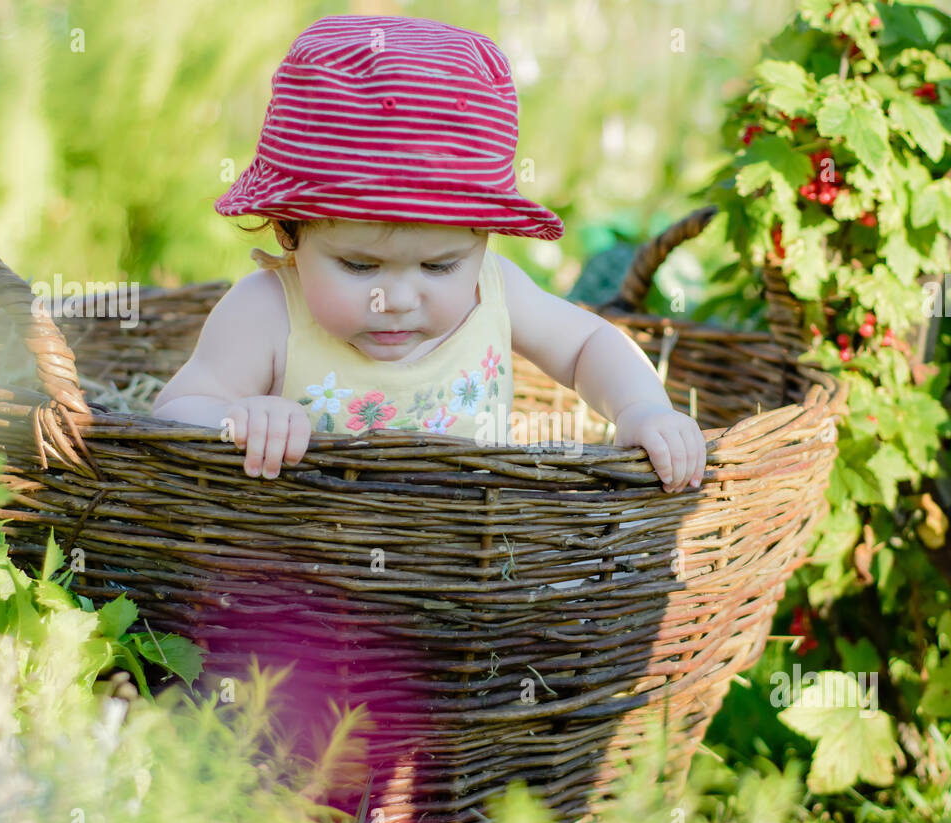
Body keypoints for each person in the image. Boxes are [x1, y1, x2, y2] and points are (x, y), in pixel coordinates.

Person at [154, 14, 705, 493]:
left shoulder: (494, 290)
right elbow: (175, 411)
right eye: (359, 265)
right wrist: (237, 418)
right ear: (288, 233)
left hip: (467, 561)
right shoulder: (268, 311)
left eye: (439, 266)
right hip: (307, 576)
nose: (394, 298)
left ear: (484, 238)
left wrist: (640, 409)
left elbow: (588, 343)